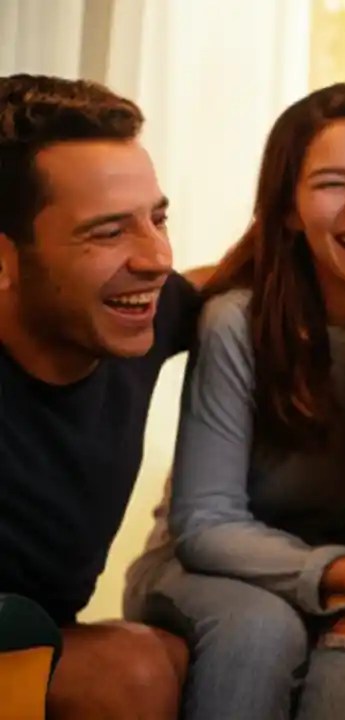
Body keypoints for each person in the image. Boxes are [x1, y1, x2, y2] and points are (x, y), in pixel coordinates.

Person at [122, 83, 345, 720]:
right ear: (290, 209)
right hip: (204, 573)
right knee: (261, 626)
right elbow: (206, 526)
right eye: (331, 184)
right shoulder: (238, 322)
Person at [0, 74, 197, 718]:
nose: (156, 256)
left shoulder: (138, 311)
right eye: (108, 233)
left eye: (157, 218)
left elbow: (261, 276)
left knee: (172, 657)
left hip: (30, 640)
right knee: (133, 673)